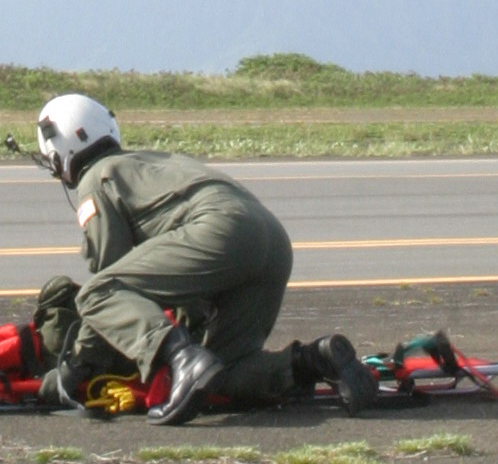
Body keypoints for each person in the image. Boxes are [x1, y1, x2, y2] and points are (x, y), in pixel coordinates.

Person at [29, 91, 371, 424]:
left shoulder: (95, 180)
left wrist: (74, 369)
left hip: (220, 232)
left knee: (95, 293)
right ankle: (316, 359)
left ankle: (183, 359)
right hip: (270, 239)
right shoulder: (148, 161)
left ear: (60, 152)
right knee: (223, 370)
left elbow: (109, 286)